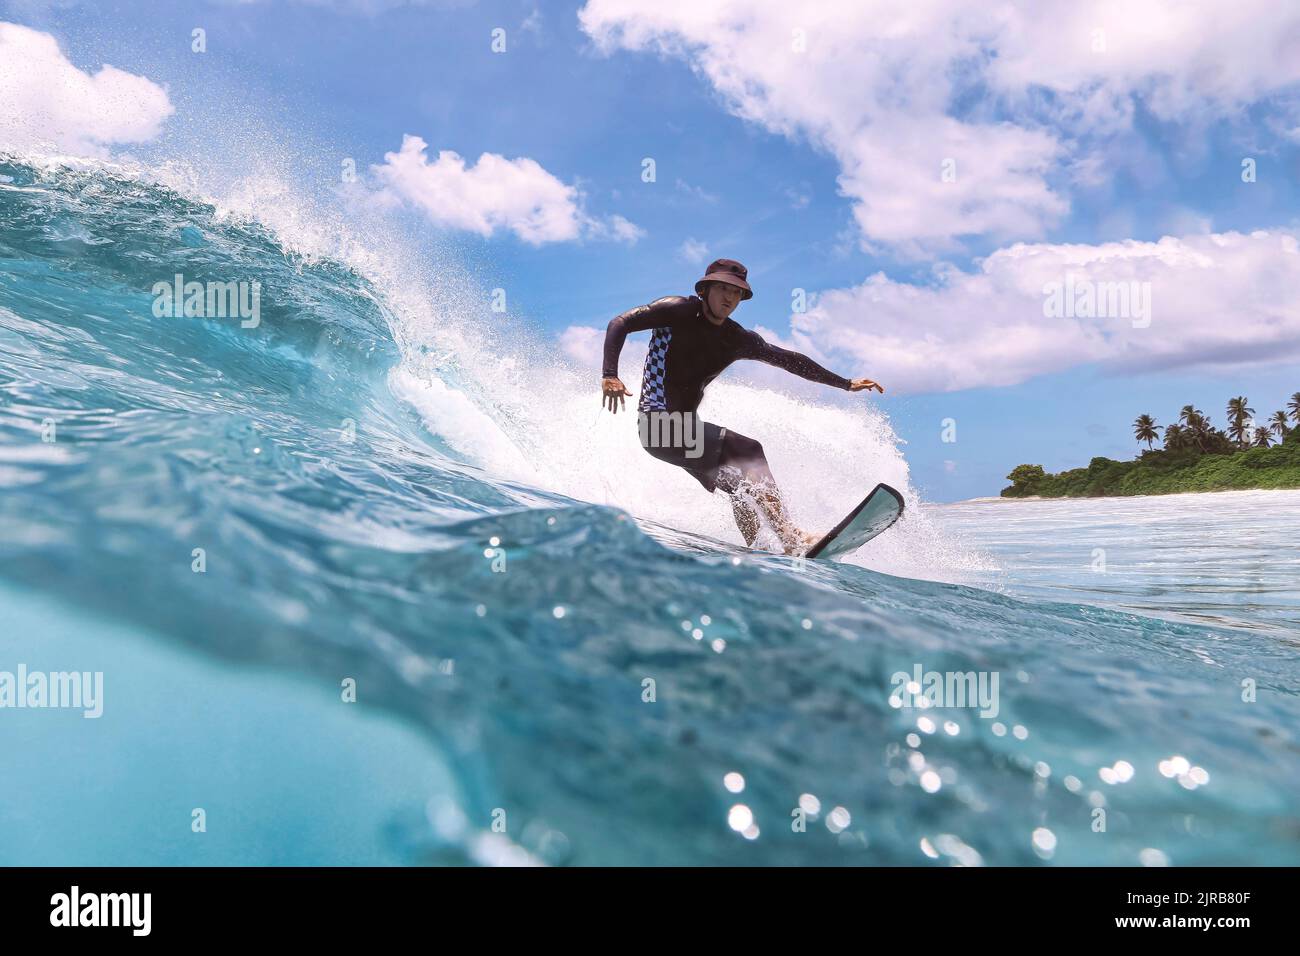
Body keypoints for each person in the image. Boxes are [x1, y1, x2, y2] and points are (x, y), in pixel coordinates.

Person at [600, 258, 884, 555]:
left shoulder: (735, 338)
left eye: (736, 293)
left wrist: (846, 383)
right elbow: (620, 322)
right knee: (748, 450)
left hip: (683, 433)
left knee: (742, 487)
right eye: (722, 289)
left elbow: (789, 360)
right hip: (656, 427)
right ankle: (790, 538)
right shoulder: (676, 310)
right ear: (705, 290)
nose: (729, 298)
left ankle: (760, 552)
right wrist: (610, 375)